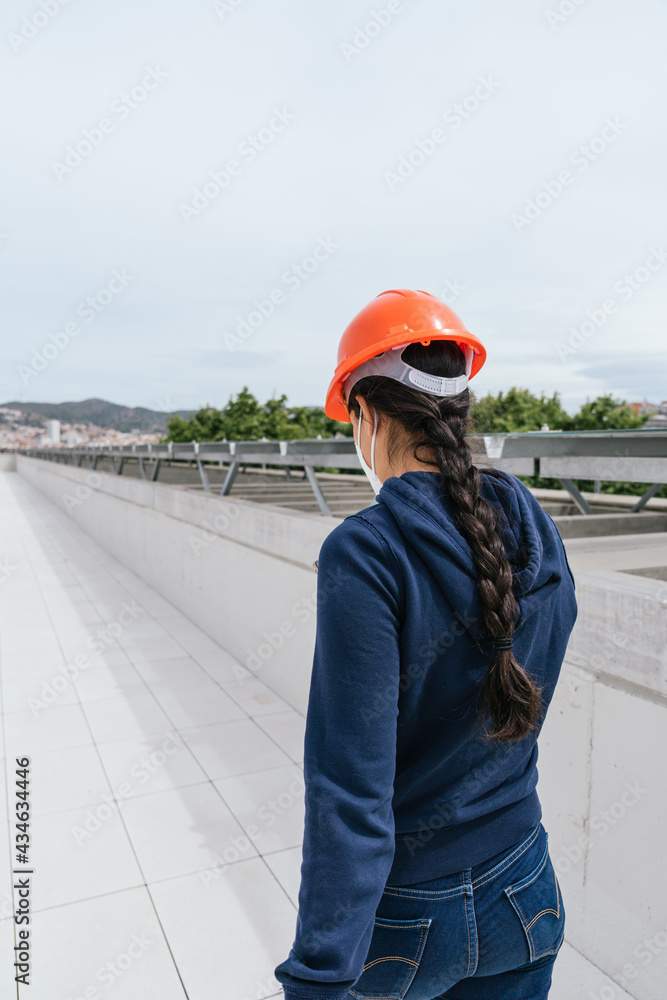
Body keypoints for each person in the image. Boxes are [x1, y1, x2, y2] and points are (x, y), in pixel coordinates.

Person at [274, 289, 578, 1000]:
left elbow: (350, 789)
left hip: (406, 920)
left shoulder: (366, 552)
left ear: (367, 415)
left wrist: (317, 978)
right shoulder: (535, 529)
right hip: (525, 889)